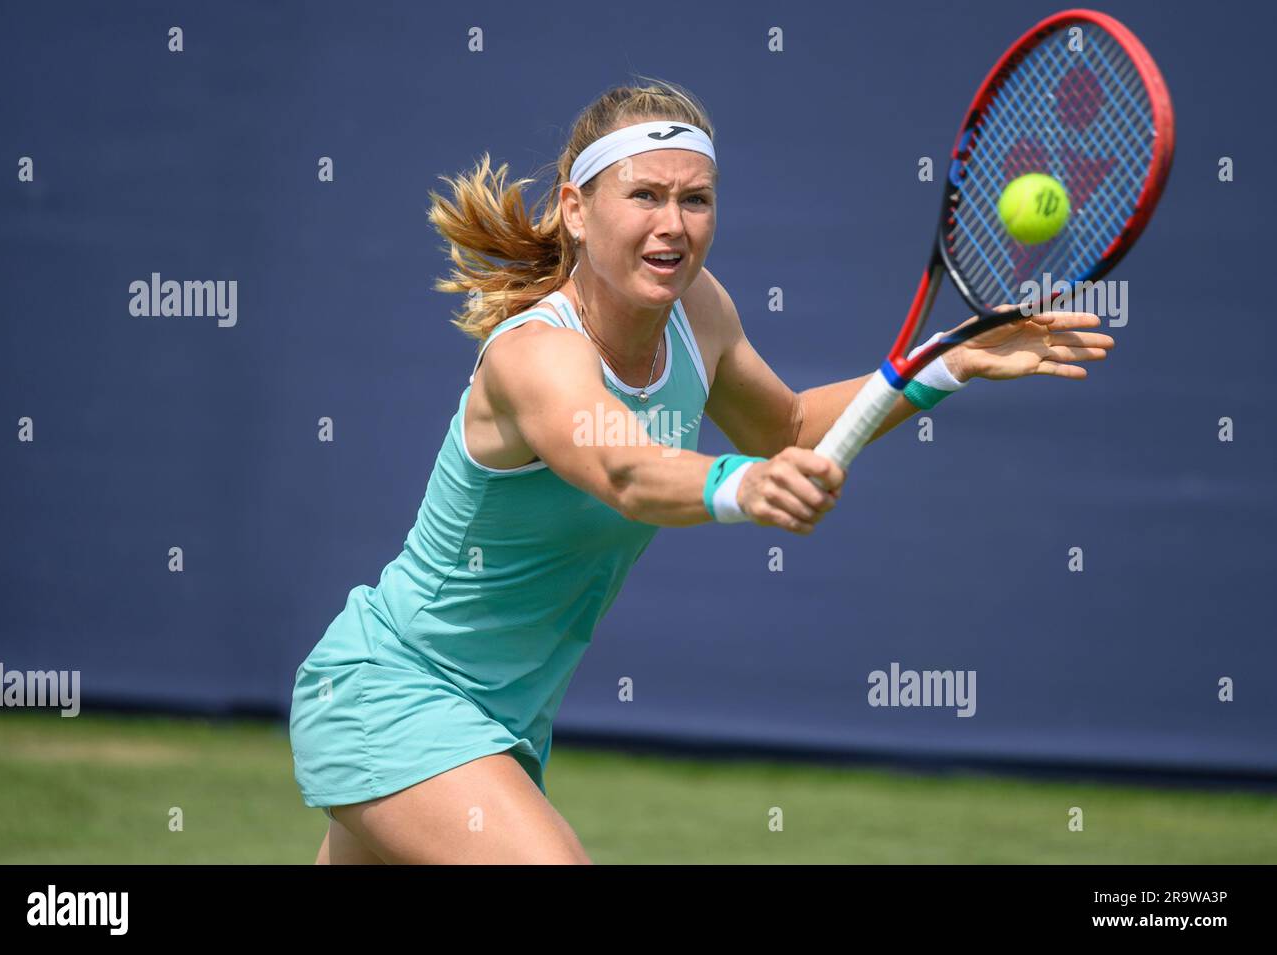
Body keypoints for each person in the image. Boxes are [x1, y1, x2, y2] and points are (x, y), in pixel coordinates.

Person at [288, 78, 1113, 864]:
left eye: (695, 199)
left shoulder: (701, 313)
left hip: (501, 717)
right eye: (644, 195)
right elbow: (623, 470)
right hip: (391, 692)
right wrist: (740, 485)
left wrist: (948, 361)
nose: (673, 224)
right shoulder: (534, 355)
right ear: (576, 210)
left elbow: (785, 425)